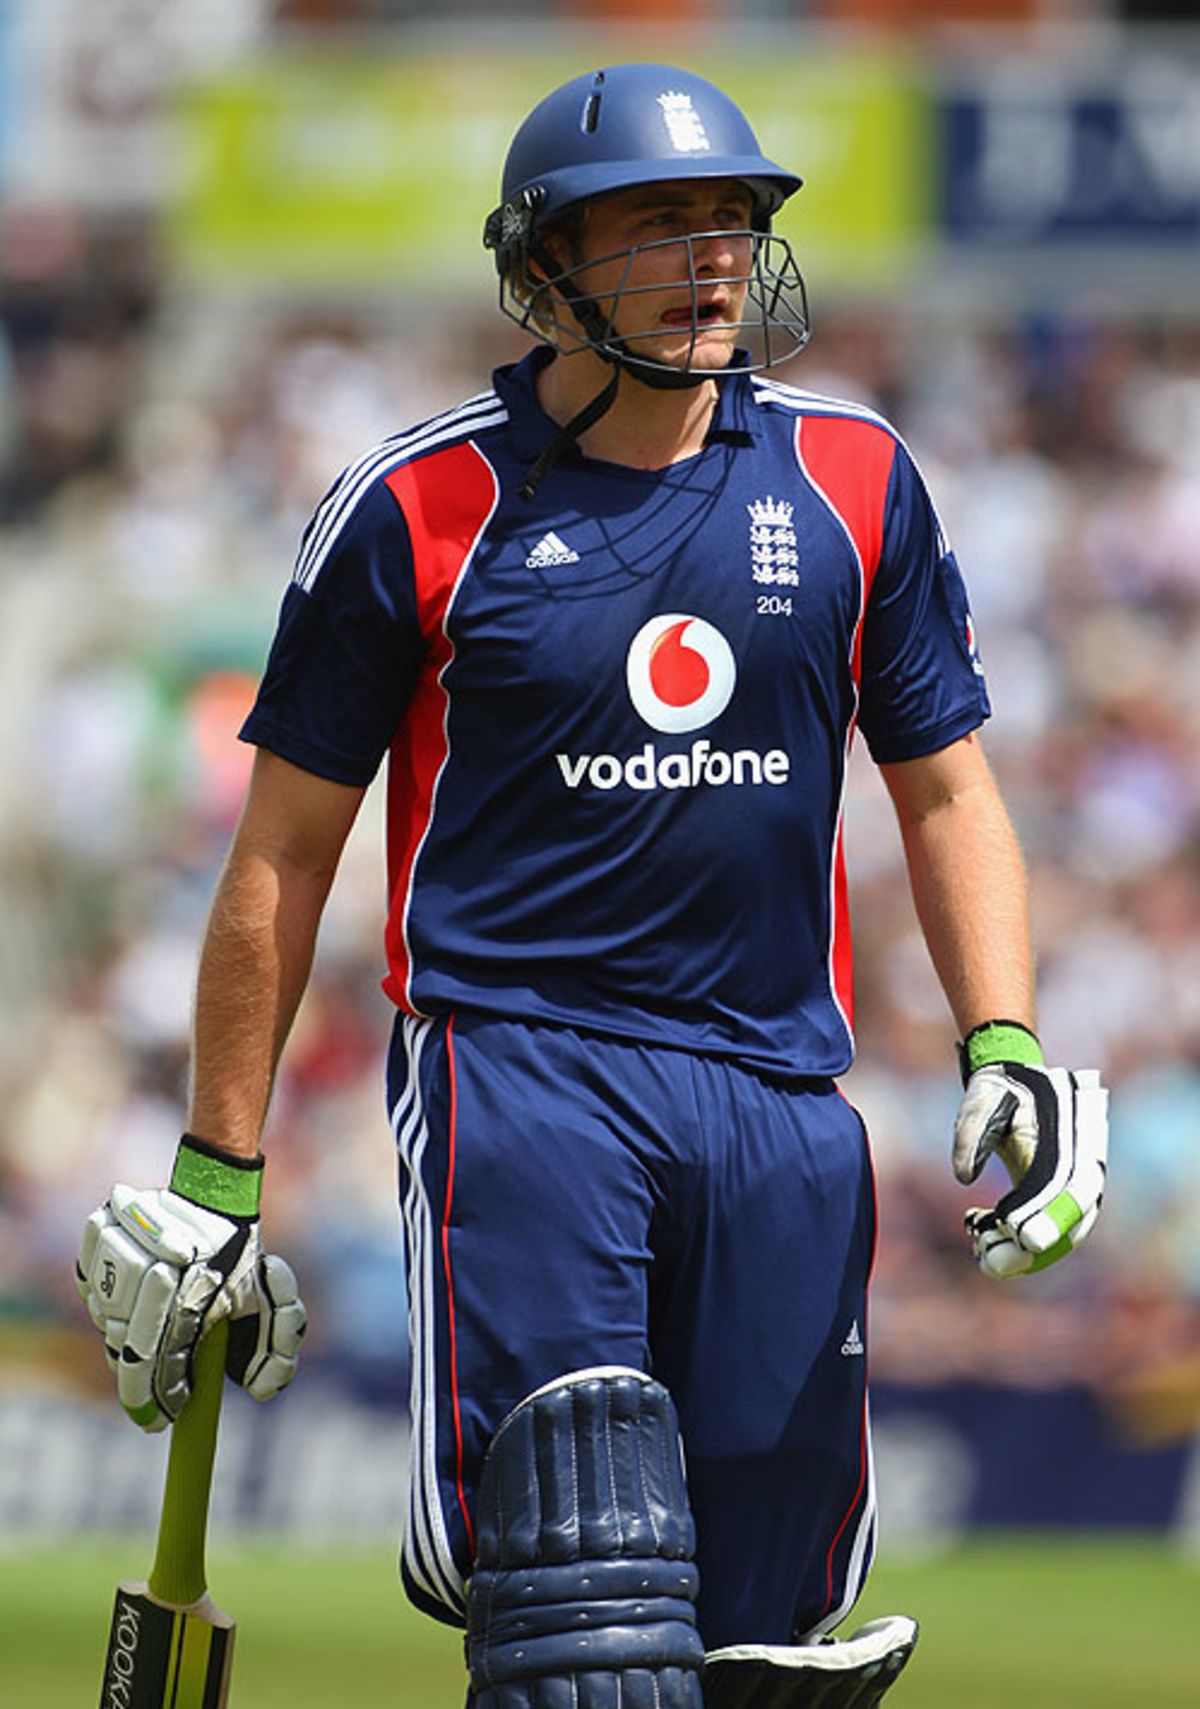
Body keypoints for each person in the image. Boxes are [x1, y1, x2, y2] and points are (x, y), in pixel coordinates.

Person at [76, 63, 1109, 1708]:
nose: (714, 259)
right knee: (584, 1613)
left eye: (732, 221)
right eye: (659, 226)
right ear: (544, 264)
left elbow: (952, 788)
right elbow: (282, 854)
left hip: (783, 1095)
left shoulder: (855, 483)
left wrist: (1005, 1042)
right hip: (526, 1072)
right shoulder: (416, 506)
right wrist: (219, 1168)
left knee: (767, 1657)